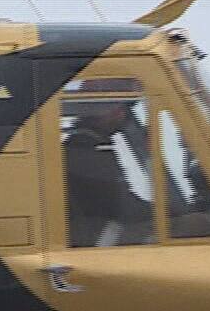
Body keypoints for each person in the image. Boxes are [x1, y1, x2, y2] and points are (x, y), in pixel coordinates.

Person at [62, 85, 153, 248]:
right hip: (96, 235)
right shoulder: (84, 150)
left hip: (97, 228)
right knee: (195, 226)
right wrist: (164, 214)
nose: (122, 114)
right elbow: (118, 203)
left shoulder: (88, 146)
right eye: (119, 108)